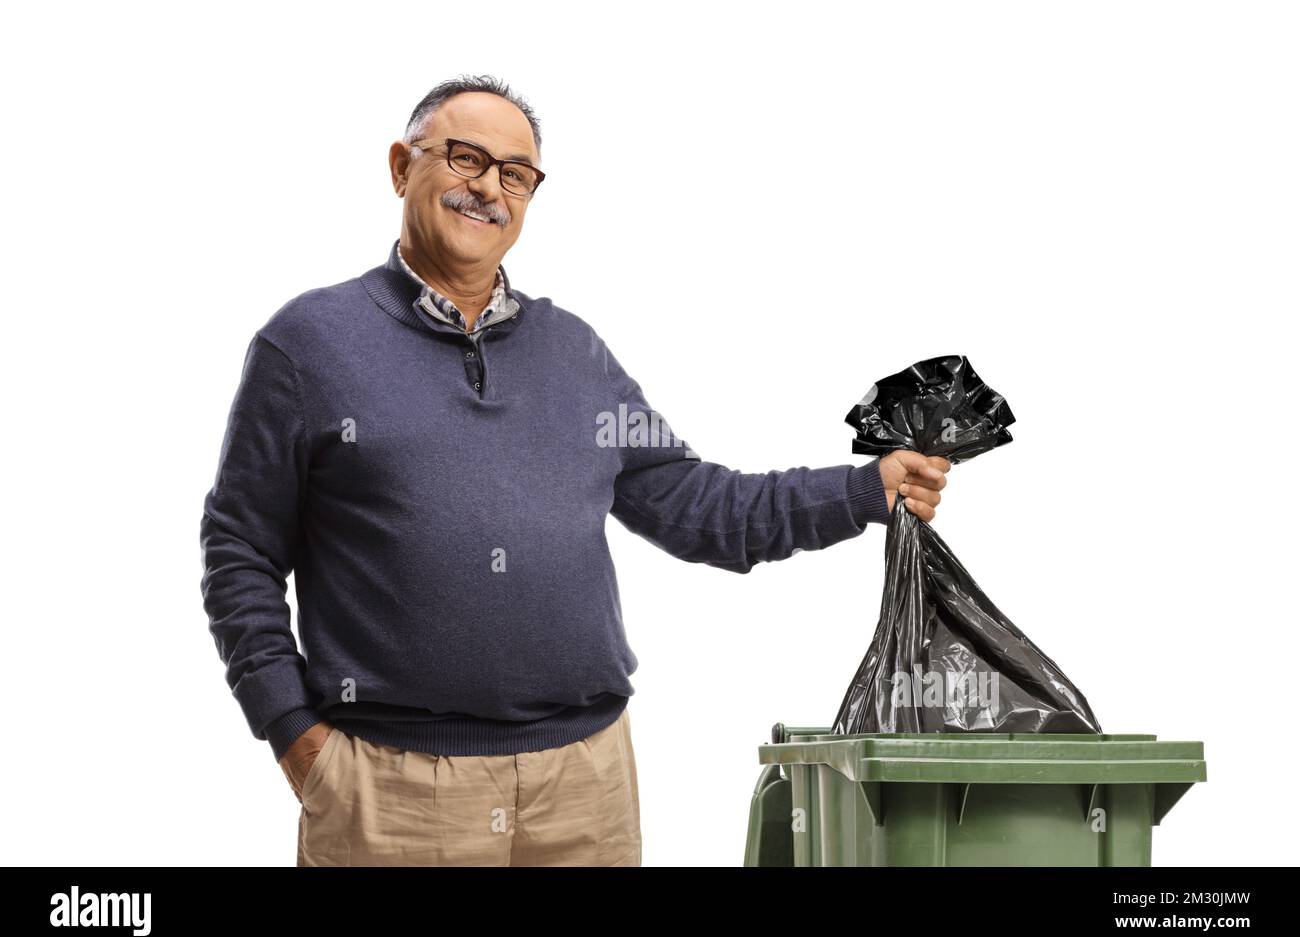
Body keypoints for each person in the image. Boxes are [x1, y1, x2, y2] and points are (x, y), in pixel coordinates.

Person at [198, 74, 951, 867]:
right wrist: (294, 734)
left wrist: (867, 488)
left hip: (584, 788)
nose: (487, 187)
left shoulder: (575, 355)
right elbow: (238, 549)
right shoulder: (308, 345)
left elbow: (699, 506)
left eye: (514, 174)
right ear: (400, 167)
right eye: (464, 158)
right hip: (392, 793)